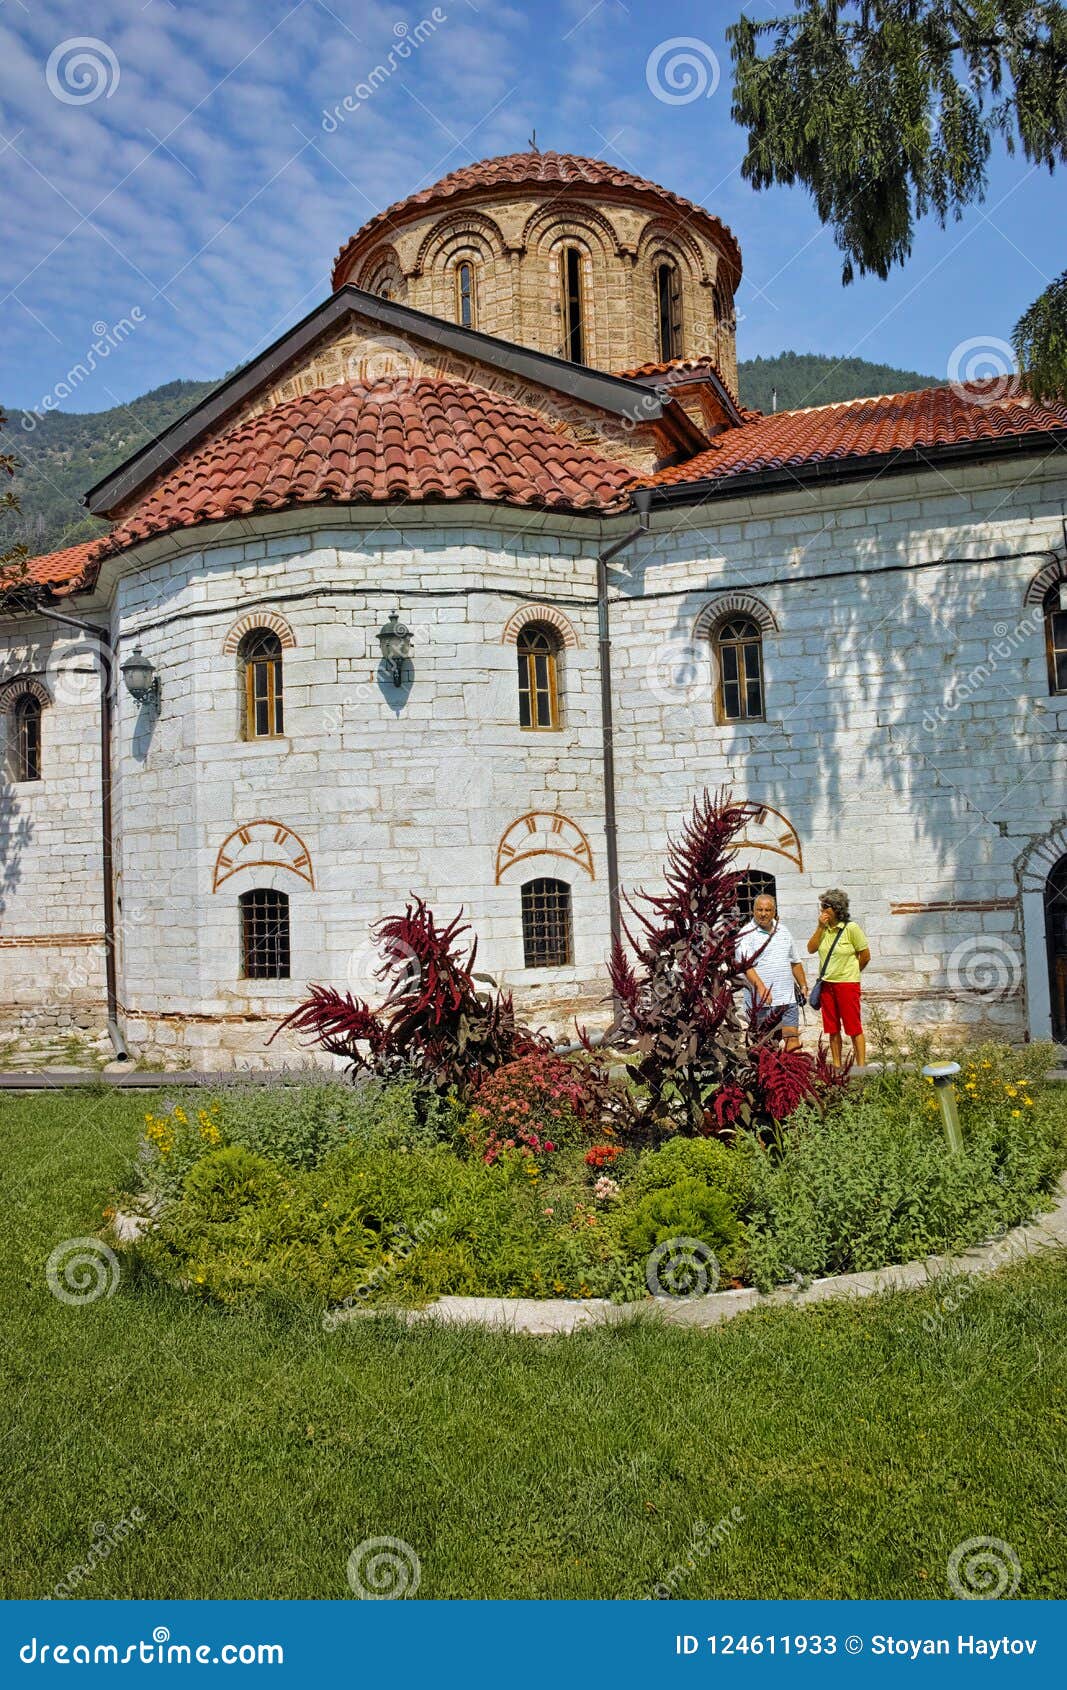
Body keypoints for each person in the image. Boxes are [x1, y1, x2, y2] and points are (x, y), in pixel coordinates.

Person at [807, 888, 870, 1070]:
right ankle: (836, 1066)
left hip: (847, 984)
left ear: (837, 909)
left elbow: (865, 955)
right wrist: (819, 927)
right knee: (832, 1028)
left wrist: (852, 973)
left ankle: (861, 1067)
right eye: (822, 907)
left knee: (853, 1026)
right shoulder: (824, 930)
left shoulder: (851, 929)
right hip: (827, 984)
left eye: (826, 907)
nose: (823, 911)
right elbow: (810, 949)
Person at [736, 892, 808, 1051]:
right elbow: (746, 966)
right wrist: (761, 988)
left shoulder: (783, 931)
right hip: (761, 1002)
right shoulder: (745, 934)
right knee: (765, 1043)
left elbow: (795, 961)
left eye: (767, 910)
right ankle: (768, 1074)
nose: (763, 914)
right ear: (753, 911)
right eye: (759, 910)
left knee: (792, 1040)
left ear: (774, 912)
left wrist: (803, 984)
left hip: (787, 999)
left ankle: (793, 1074)